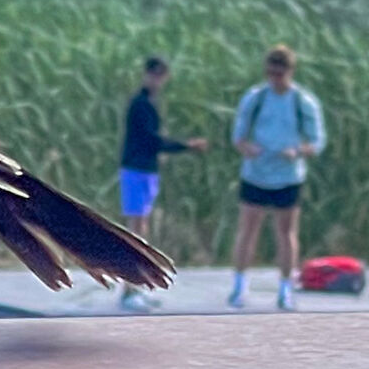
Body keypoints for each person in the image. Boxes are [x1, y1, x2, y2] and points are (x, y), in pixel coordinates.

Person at [228, 44, 326, 311]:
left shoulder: (301, 101)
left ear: (290, 72)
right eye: (271, 73)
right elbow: (238, 136)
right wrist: (247, 148)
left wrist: (297, 151)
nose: (275, 79)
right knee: (248, 230)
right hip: (256, 174)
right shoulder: (255, 97)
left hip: (288, 177)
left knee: (286, 233)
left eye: (280, 74)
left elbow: (317, 141)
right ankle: (239, 286)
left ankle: (285, 288)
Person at [118, 56, 208, 311]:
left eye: (161, 75)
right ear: (146, 74)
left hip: (146, 171)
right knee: (135, 230)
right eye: (153, 74)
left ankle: (138, 286)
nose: (157, 80)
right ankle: (128, 290)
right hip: (135, 170)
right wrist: (187, 146)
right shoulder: (140, 104)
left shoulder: (150, 103)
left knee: (142, 228)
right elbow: (151, 140)